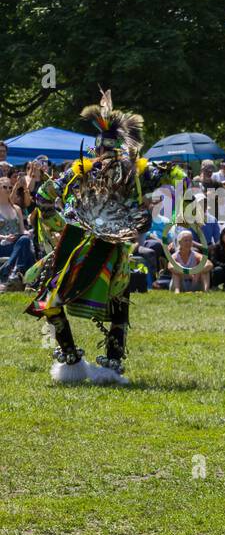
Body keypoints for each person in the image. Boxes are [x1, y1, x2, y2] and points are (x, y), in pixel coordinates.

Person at [26, 91, 183, 384]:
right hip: (93, 243)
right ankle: (100, 364)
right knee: (108, 304)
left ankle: (76, 360)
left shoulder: (122, 170)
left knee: (56, 299)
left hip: (92, 244)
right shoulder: (125, 170)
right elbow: (174, 178)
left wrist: (58, 224)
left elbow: (44, 196)